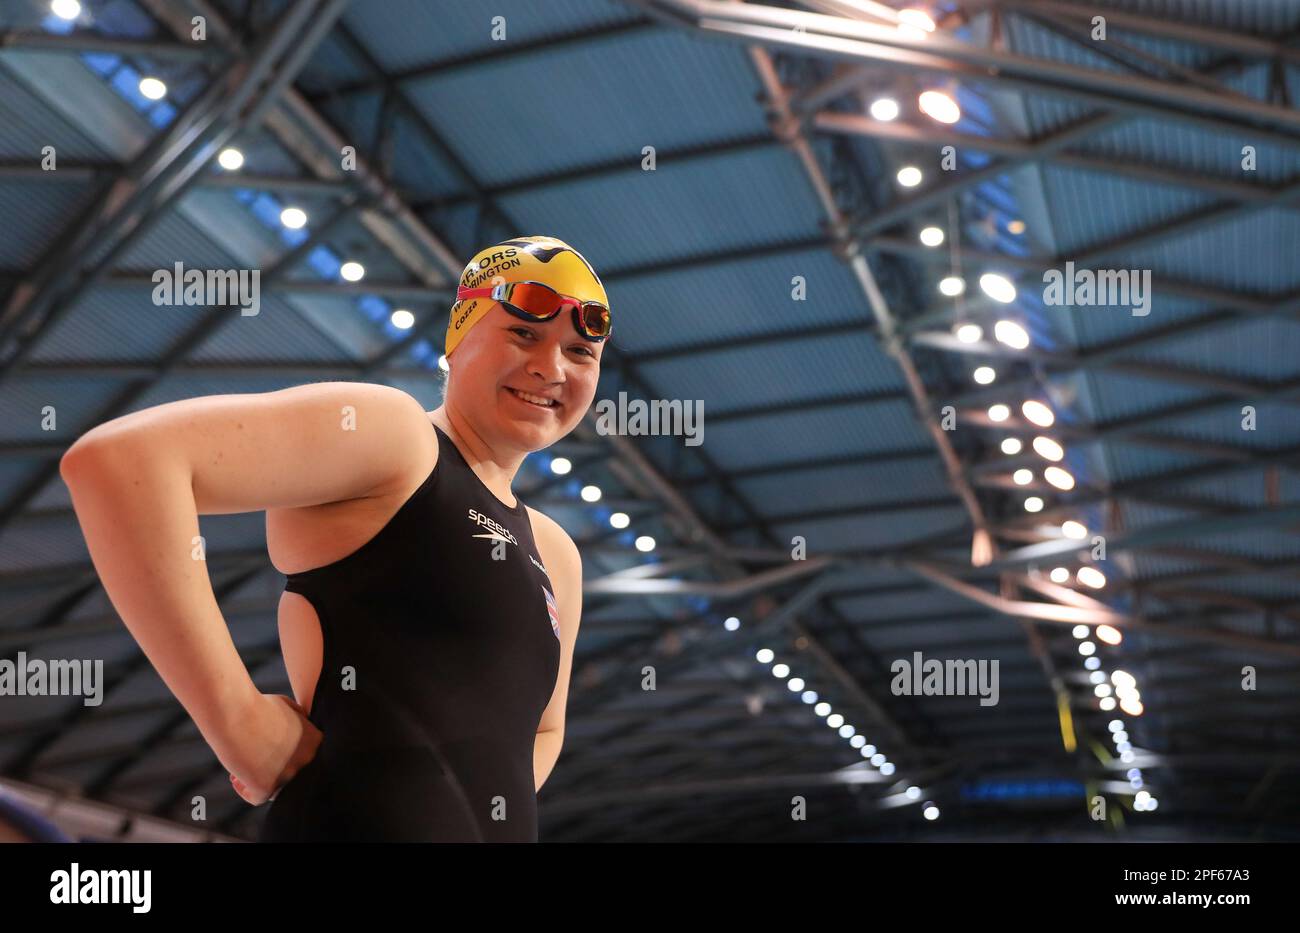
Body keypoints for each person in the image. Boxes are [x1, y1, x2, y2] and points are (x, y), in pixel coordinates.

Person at [59, 235, 611, 842]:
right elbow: (121, 463)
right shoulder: (396, 440)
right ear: (459, 337)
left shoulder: (556, 551)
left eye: (580, 352)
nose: (551, 368)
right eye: (524, 335)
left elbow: (541, 730)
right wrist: (236, 722)